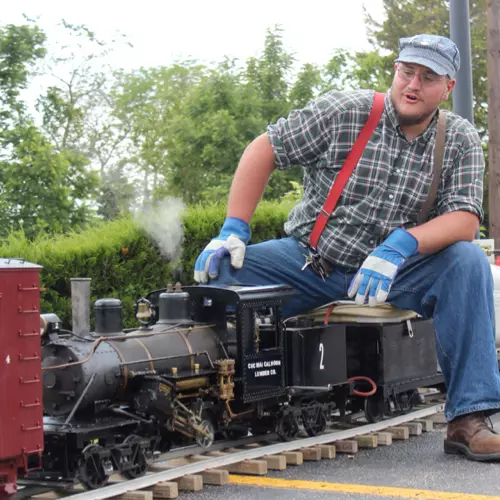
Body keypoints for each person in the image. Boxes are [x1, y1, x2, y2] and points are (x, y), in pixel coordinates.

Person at [194, 34, 500, 462]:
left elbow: (465, 221)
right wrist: (233, 228)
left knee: (467, 263)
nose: (413, 84)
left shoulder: (460, 138)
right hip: (308, 260)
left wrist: (402, 244)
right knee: (215, 281)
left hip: (395, 274)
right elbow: (265, 149)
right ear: (395, 71)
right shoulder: (347, 111)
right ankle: (200, 405)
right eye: (407, 72)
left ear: (448, 87)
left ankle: (469, 420)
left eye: (428, 77)